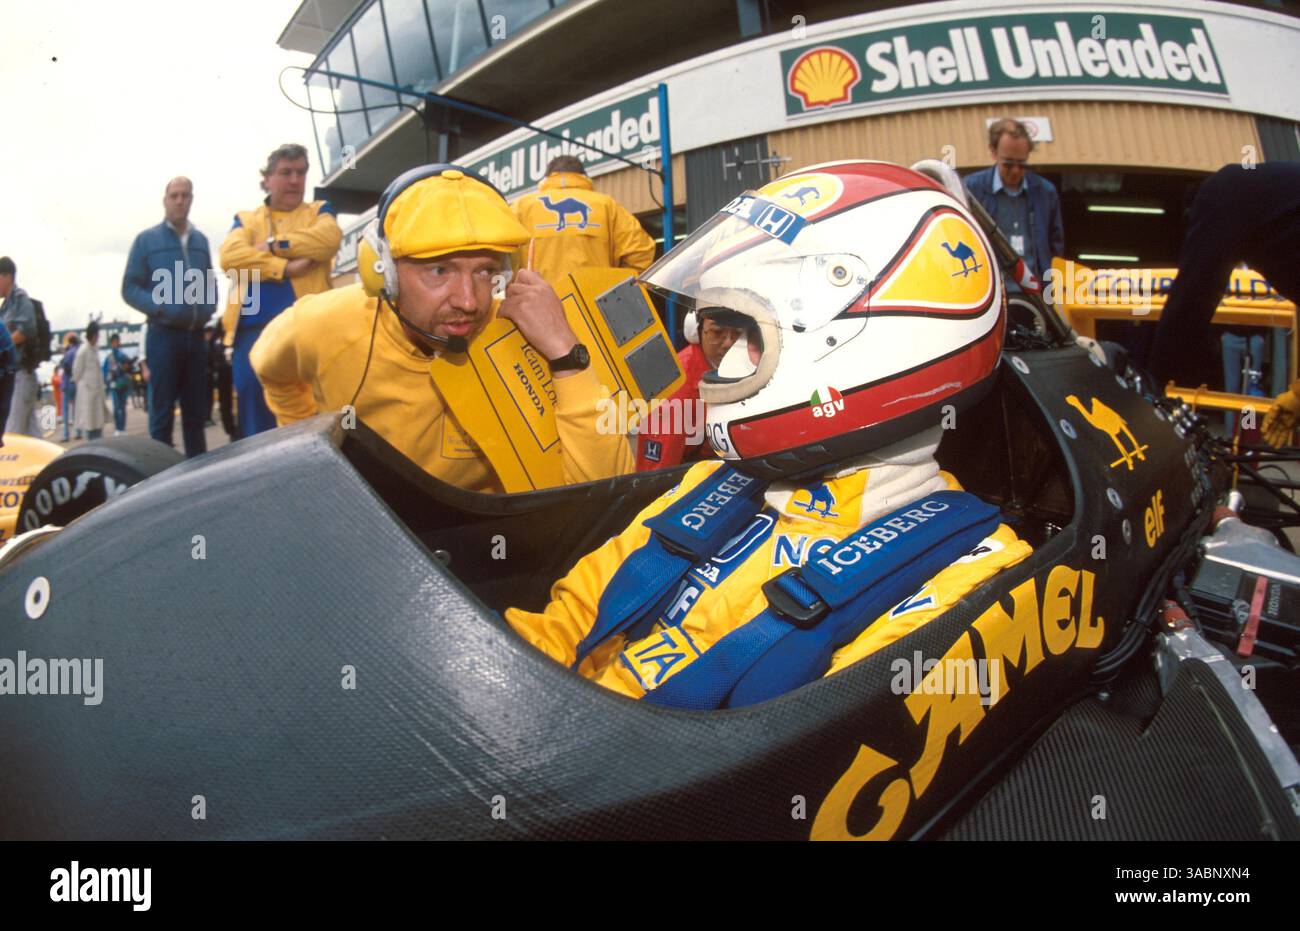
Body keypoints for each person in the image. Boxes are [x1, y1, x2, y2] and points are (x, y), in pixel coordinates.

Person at [504, 160, 1030, 708]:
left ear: (860, 347)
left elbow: (786, 762)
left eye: (754, 331)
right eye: (725, 326)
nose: (725, 357)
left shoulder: (966, 576)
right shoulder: (708, 483)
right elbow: (566, 620)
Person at [250, 165, 635, 492]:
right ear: (381, 270)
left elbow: (602, 491)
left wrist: (565, 353)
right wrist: (310, 445)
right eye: (439, 270)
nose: (469, 301)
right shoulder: (319, 325)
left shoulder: (517, 335)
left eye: (485, 271)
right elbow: (269, 368)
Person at [1128, 163, 1300, 443]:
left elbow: (1191, 301)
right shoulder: (1247, 198)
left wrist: (1150, 395)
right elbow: (1195, 298)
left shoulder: (1229, 195)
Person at [219, 143, 342, 437]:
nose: (295, 180)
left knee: (312, 419)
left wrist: (273, 245)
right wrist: (285, 268)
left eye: (301, 172)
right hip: (251, 334)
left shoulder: (319, 212)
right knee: (256, 426)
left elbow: (328, 240)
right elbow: (230, 259)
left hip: (306, 332)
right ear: (266, 179)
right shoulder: (245, 220)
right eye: (286, 173)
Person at [121, 177, 217, 456]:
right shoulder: (146, 240)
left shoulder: (200, 241)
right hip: (164, 337)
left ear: (191, 199)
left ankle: (199, 477)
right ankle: (161, 478)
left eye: (185, 195)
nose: (179, 200)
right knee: (161, 415)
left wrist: (209, 306)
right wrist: (160, 306)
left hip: (196, 338)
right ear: (165, 200)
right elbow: (129, 287)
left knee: (195, 414)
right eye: (174, 195)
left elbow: (208, 281)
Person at [510, 155, 657, 294]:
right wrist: (616, 291)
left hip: (535, 310)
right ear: (583, 176)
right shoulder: (606, 206)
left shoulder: (521, 207)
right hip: (593, 308)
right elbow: (642, 252)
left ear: (547, 177)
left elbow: (501, 261)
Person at [634, 307, 754, 470]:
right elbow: (657, 477)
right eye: (717, 332)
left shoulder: (746, 366)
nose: (728, 343)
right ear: (696, 331)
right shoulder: (676, 395)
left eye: (737, 333)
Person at [963, 119, 1064, 284]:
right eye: (1008, 164)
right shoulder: (971, 191)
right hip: (992, 291)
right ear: (993, 152)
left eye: (1022, 164)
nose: (1016, 171)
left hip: (1036, 294)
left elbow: (1055, 246)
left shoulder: (1046, 192)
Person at [1, 256, 42, 437]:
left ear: (7, 276)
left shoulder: (20, 299)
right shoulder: (7, 305)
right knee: (32, 436)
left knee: (11, 435)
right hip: (16, 376)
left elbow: (27, 329)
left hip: (21, 375)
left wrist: (4, 347)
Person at [72, 322, 107, 442]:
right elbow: (76, 373)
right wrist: (86, 386)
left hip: (97, 392)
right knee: (90, 423)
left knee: (98, 422)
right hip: (87, 392)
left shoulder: (95, 349)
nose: (98, 338)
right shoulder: (83, 350)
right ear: (92, 335)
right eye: (97, 334)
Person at [208, 321, 236, 440]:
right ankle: (230, 429)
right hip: (223, 369)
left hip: (226, 367)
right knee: (225, 400)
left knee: (227, 400)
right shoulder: (216, 340)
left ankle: (232, 428)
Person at [103, 333, 132, 435]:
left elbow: (129, 368)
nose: (117, 343)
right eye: (115, 341)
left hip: (123, 384)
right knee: (116, 407)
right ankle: (118, 428)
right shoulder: (110, 357)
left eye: (118, 341)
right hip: (114, 385)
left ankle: (122, 428)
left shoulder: (123, 355)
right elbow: (105, 372)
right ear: (112, 343)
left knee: (122, 407)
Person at [58, 333, 81, 442]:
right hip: (76, 382)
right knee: (76, 409)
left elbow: (64, 365)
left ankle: (66, 435)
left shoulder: (69, 352)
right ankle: (78, 432)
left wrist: (64, 354)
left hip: (67, 382)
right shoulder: (79, 351)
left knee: (65, 410)